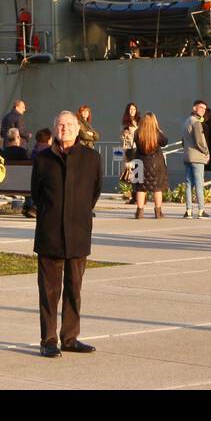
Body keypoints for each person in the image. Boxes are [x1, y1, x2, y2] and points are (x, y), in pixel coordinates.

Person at [32, 110, 102, 358]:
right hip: (50, 232)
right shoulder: (43, 159)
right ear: (54, 129)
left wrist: (79, 212)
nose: (65, 128)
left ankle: (70, 338)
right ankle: (48, 340)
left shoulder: (91, 158)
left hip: (78, 232)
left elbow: (95, 192)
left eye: (70, 124)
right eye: (61, 125)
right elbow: (37, 194)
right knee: (49, 291)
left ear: (78, 128)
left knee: (74, 288)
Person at [128, 112, 169, 219]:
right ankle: (158, 212)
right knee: (157, 188)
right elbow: (165, 142)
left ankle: (139, 211)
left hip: (141, 163)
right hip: (156, 165)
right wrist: (160, 131)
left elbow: (135, 143)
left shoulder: (137, 133)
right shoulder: (157, 133)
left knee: (141, 188)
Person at [181, 100, 210, 218]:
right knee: (199, 183)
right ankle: (201, 210)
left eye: (204, 109)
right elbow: (199, 141)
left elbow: (183, 141)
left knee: (189, 183)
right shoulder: (196, 123)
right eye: (201, 107)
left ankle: (188, 210)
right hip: (197, 157)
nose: (203, 110)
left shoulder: (185, 122)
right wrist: (206, 152)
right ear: (194, 108)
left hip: (187, 156)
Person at [119, 102, 140, 196]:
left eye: (134, 109)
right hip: (129, 149)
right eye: (131, 109)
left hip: (137, 148)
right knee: (129, 172)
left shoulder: (139, 121)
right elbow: (122, 138)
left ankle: (137, 194)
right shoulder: (125, 123)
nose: (132, 111)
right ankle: (131, 194)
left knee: (137, 172)